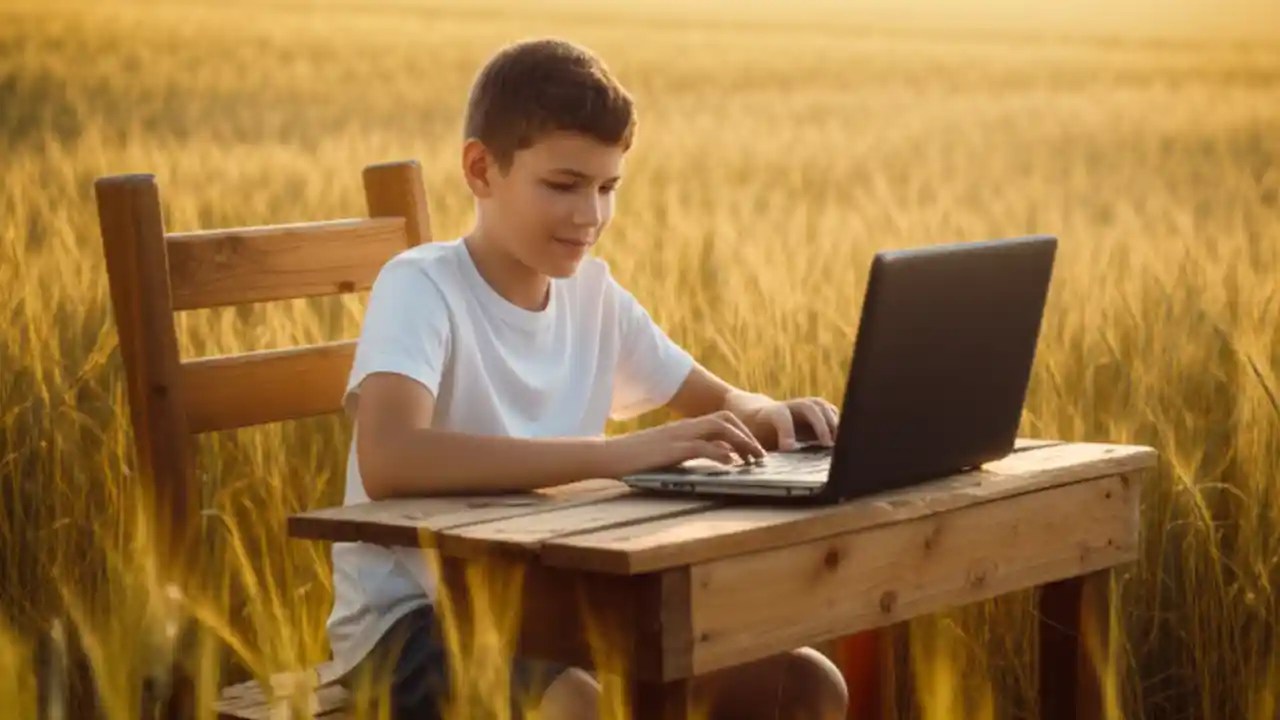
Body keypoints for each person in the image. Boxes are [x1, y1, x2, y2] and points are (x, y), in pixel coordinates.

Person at [330, 37, 849, 720]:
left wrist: (768, 413)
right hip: (411, 629)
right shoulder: (422, 286)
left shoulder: (594, 300)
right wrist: (613, 456)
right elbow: (390, 455)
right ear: (481, 170)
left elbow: (715, 396)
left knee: (806, 689)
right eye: (563, 185)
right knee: (576, 705)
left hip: (561, 611)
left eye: (608, 188)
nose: (591, 216)